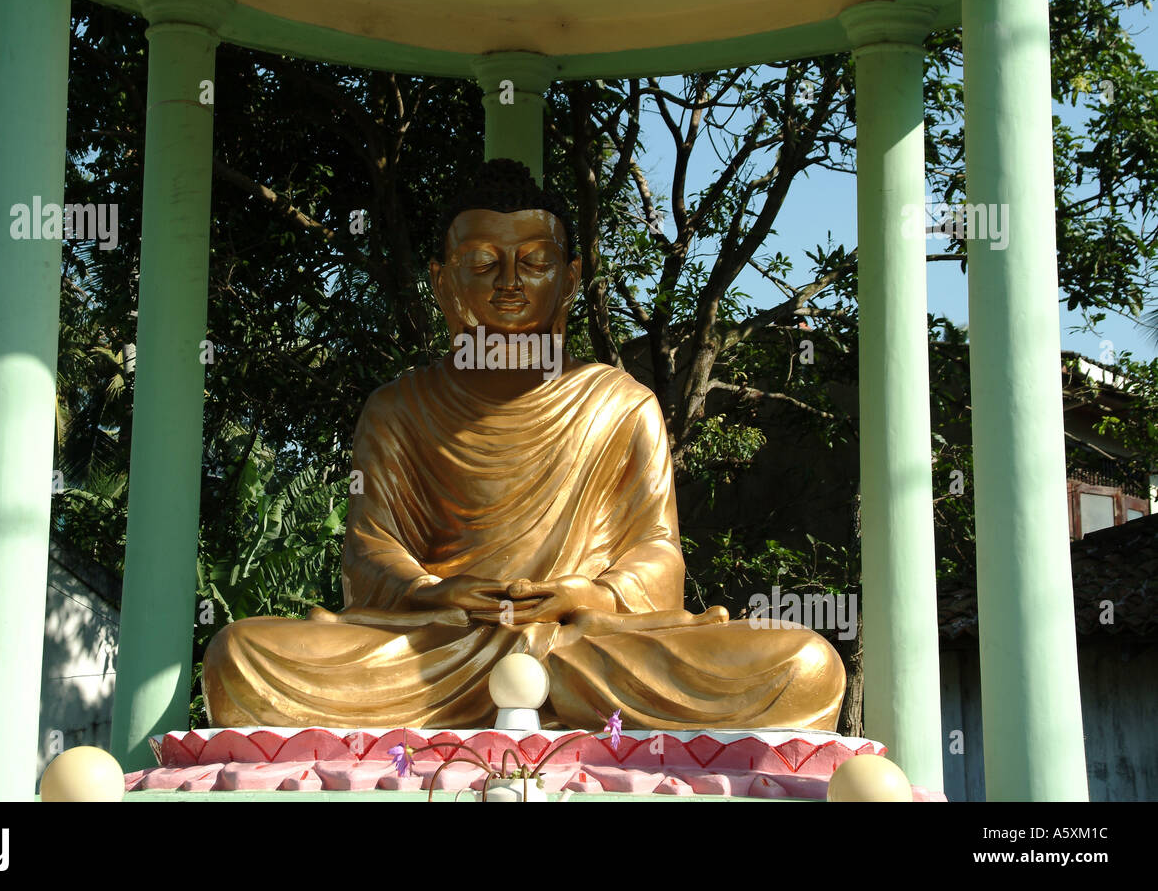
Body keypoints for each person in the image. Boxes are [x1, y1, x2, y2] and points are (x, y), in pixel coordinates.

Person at [203, 159, 845, 731]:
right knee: (240, 657)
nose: (509, 283)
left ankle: (543, 679)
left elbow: (657, 551)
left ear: (569, 278)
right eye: (483, 263)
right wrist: (434, 592)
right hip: (443, 643)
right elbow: (370, 552)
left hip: (584, 641)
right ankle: (536, 689)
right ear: (443, 280)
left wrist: (592, 595)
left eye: (534, 263)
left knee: (804, 664)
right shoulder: (399, 407)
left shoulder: (622, 403)